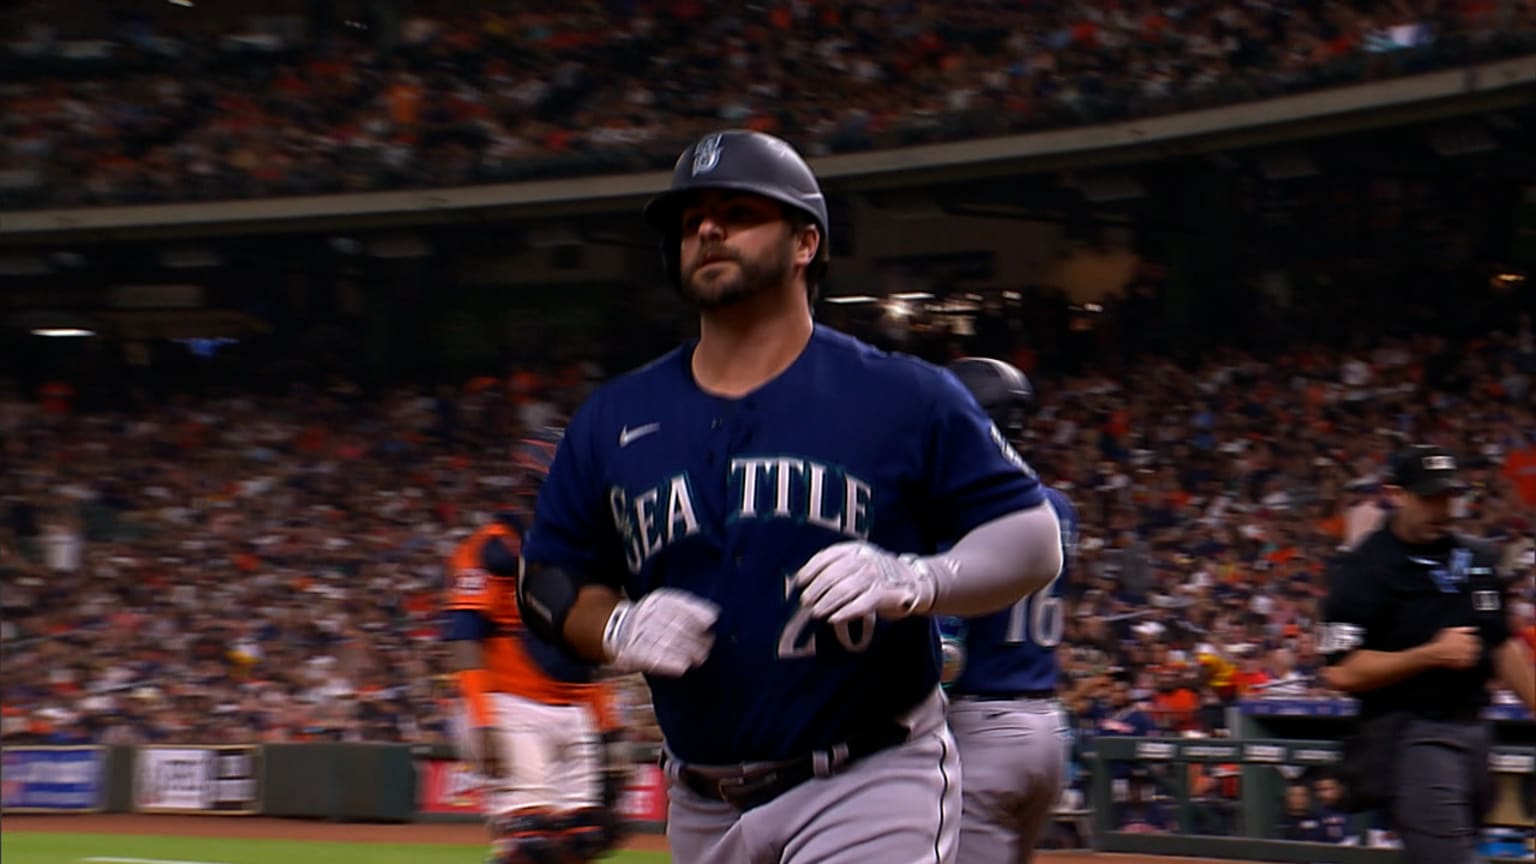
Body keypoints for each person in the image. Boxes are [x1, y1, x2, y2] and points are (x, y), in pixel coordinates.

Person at [516, 129, 1064, 864]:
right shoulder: (612, 417)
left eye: (739, 213)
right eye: (691, 220)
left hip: (868, 776)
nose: (708, 230)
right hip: (701, 799)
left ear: (806, 242)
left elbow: (1032, 537)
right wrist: (612, 625)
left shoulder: (901, 394)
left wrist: (918, 578)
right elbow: (546, 580)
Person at [1318, 444, 1536, 864]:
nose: (1441, 508)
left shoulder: (1477, 557)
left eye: (1448, 496)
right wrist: (1429, 654)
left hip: (1476, 733)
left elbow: (1500, 642)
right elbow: (1340, 672)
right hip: (1411, 734)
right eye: (1429, 497)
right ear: (1396, 494)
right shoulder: (1363, 569)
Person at [444, 429, 621, 864]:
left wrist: (609, 729)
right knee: (531, 846)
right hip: (509, 705)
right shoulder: (490, 547)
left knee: (583, 839)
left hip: (573, 711)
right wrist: (482, 720)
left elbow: (590, 654)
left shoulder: (587, 551)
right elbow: (465, 637)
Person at [941, 356, 1076, 864]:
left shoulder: (963, 508)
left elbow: (946, 652)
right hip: (1048, 728)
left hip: (982, 727)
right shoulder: (1057, 507)